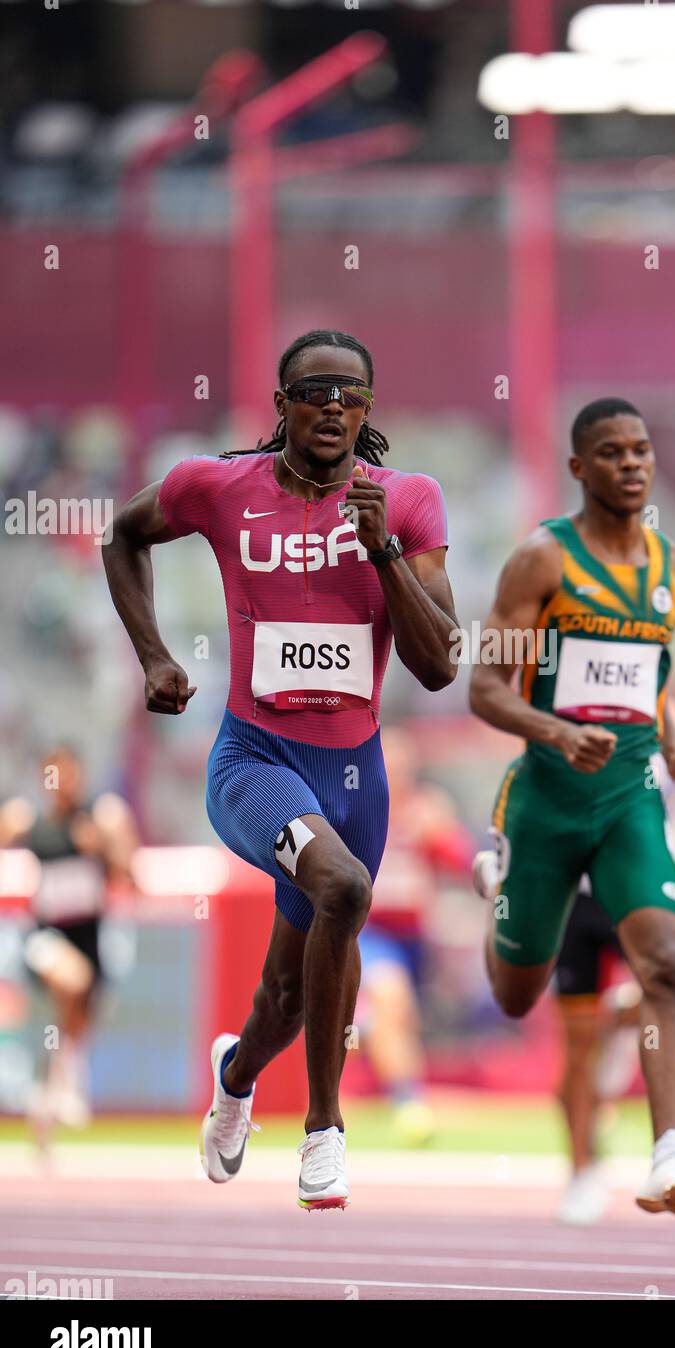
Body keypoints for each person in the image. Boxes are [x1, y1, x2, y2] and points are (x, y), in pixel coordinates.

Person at [102, 329, 458, 1210]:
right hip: (255, 759)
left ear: (370, 411)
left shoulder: (407, 502)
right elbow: (122, 536)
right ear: (283, 403)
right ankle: (326, 1132)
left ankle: (236, 1075)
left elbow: (440, 664)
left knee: (286, 996)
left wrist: (380, 553)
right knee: (341, 888)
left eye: (351, 395)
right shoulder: (218, 486)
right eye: (315, 390)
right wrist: (151, 656)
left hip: (355, 775)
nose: (333, 406)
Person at [469, 397, 675, 1219]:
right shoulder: (541, 562)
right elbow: (485, 689)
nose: (632, 464)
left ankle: (666, 1156)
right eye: (611, 453)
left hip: (630, 801)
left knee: (668, 966)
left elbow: (647, 675)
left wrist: (674, 751)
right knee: (513, 994)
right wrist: (555, 731)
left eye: (642, 449)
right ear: (579, 468)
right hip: (546, 804)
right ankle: (498, 886)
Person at [548, 699, 675, 1225]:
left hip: (641, 885)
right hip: (575, 891)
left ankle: (623, 1022)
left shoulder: (668, 711)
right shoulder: (556, 701)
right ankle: (580, 1175)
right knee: (576, 1047)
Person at [0, 745, 137, 1138]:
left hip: (90, 941)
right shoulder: (31, 823)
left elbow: (130, 875)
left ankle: (48, 1096)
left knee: (73, 1017)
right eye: (54, 775)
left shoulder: (99, 819)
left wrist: (109, 846)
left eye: (69, 773)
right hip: (44, 939)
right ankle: (68, 1084)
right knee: (71, 981)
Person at [356, 726, 475, 1145]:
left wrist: (440, 838)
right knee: (392, 996)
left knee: (403, 1017)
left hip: (415, 936)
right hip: (367, 930)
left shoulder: (427, 809)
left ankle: (367, 1030)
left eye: (402, 766)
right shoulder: (353, 806)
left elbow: (462, 861)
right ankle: (408, 1103)